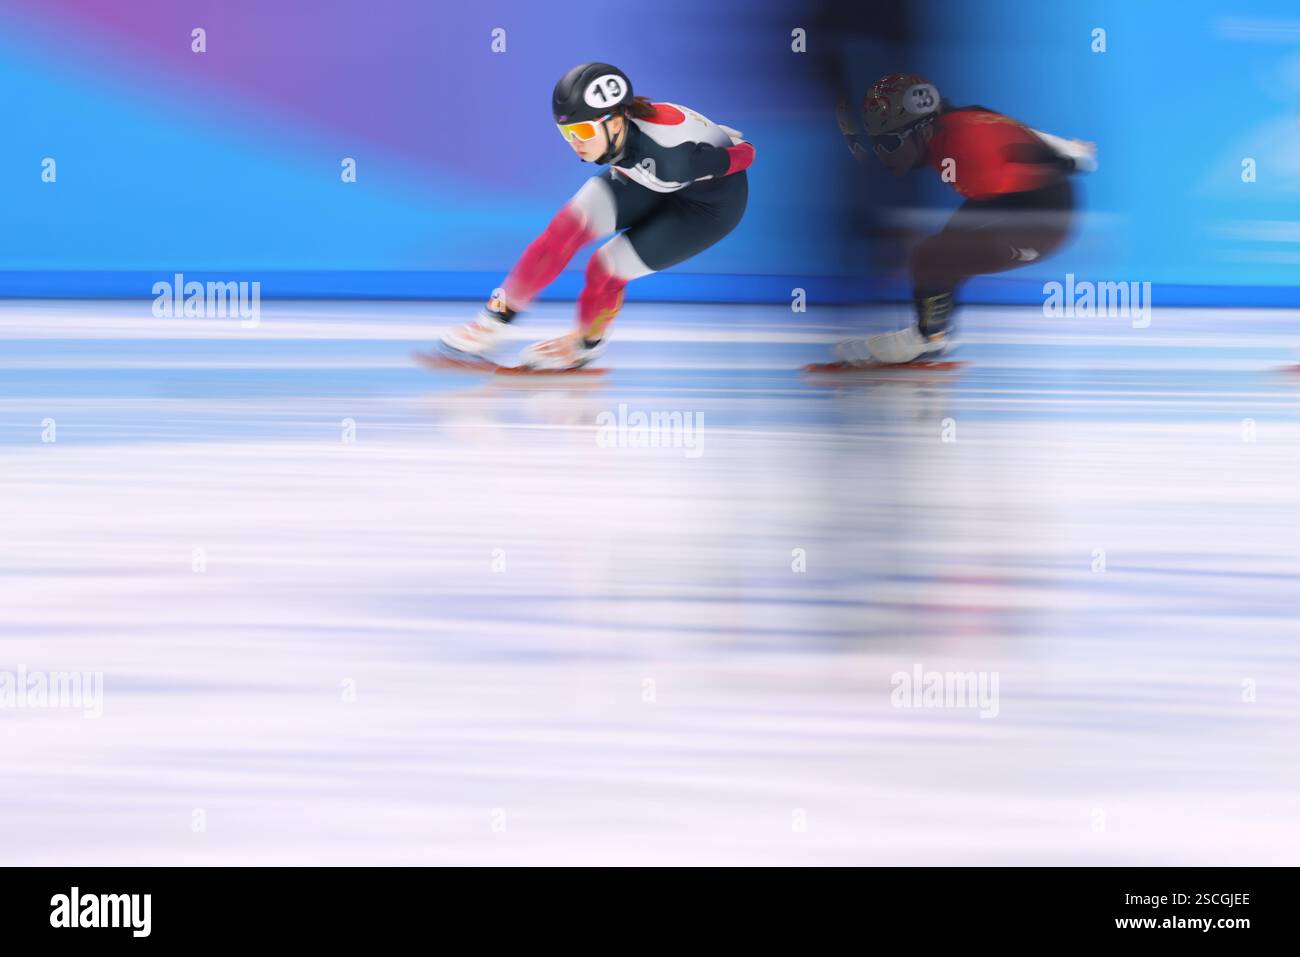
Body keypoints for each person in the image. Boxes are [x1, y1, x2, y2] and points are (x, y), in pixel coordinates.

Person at [437, 62, 755, 370]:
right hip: (646, 176)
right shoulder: (620, 137)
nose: (576, 143)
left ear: (616, 122)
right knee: (564, 231)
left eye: (584, 131)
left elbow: (746, 156)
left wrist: (731, 147)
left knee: (605, 268)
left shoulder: (674, 159)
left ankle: (587, 343)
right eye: (567, 132)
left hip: (707, 208)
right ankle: (494, 321)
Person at [835, 72, 1096, 364]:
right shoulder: (958, 122)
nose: (884, 156)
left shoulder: (967, 151)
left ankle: (930, 338)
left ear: (921, 130)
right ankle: (932, 334)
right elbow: (1022, 135)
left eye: (889, 144)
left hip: (1047, 215)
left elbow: (1017, 171)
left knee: (933, 254)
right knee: (939, 254)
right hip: (1017, 199)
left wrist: (1069, 161)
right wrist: (1067, 151)